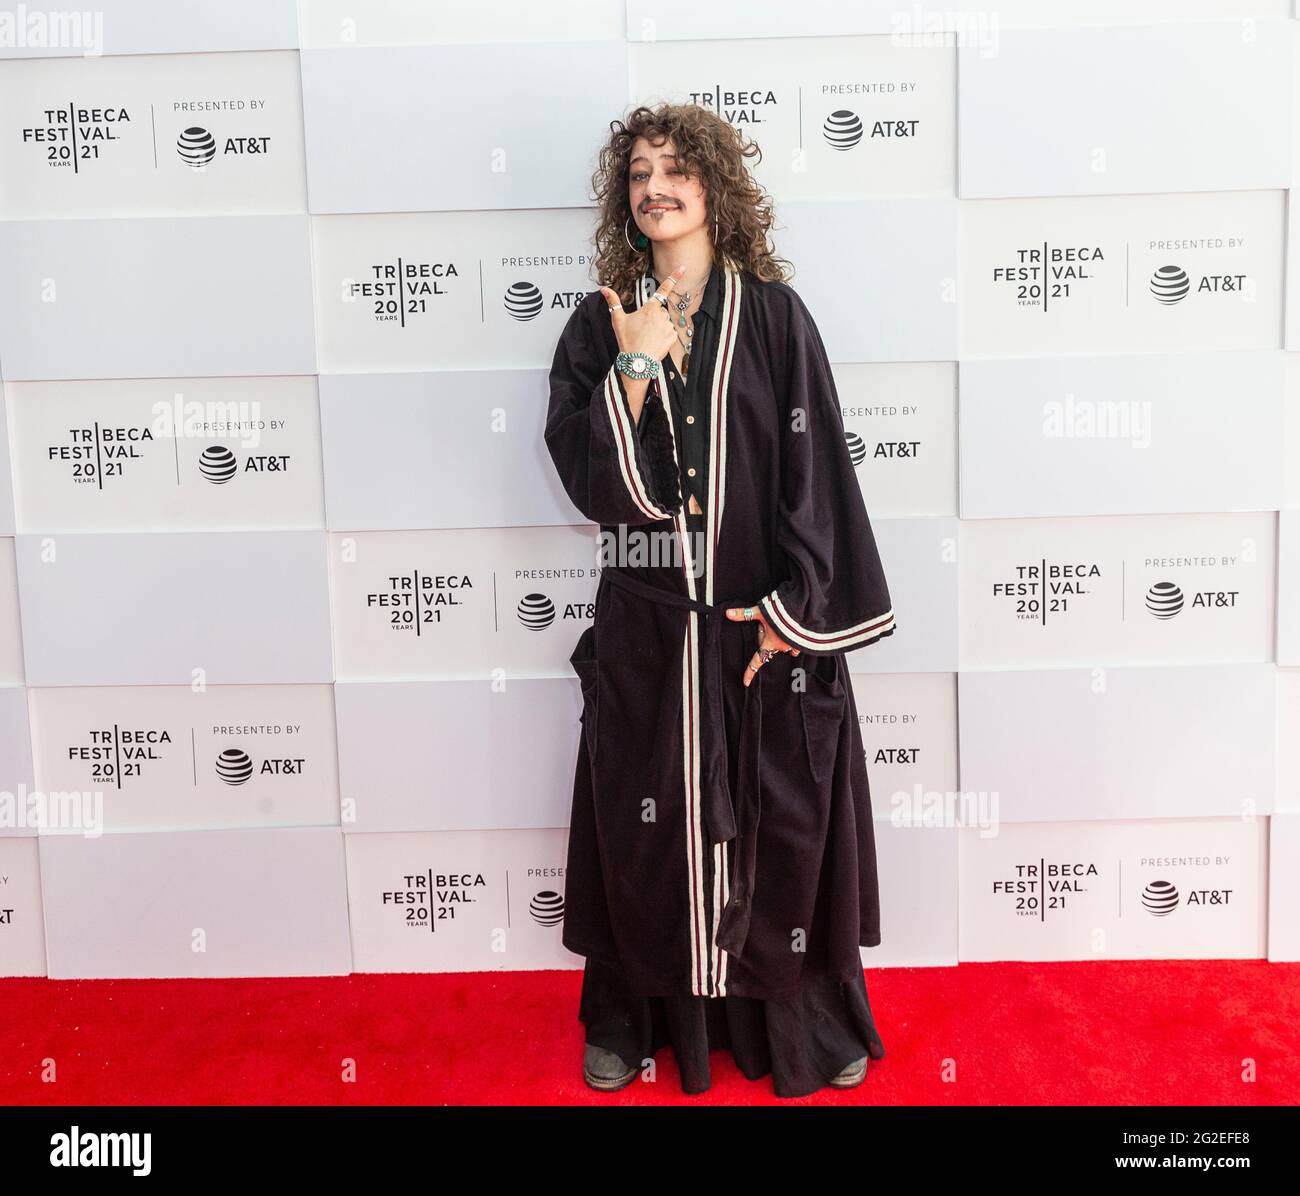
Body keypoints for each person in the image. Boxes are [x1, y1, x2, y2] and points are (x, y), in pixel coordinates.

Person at [544, 102, 896, 1098]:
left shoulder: (776, 318)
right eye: (638, 173)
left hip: (752, 634)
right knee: (642, 834)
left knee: (775, 837)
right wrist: (637, 360)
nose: (653, 187)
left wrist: (795, 613)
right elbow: (598, 487)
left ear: (713, 188)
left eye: (674, 170)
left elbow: (814, 473)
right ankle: (630, 1016)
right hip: (650, 641)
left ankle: (797, 1023)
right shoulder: (600, 320)